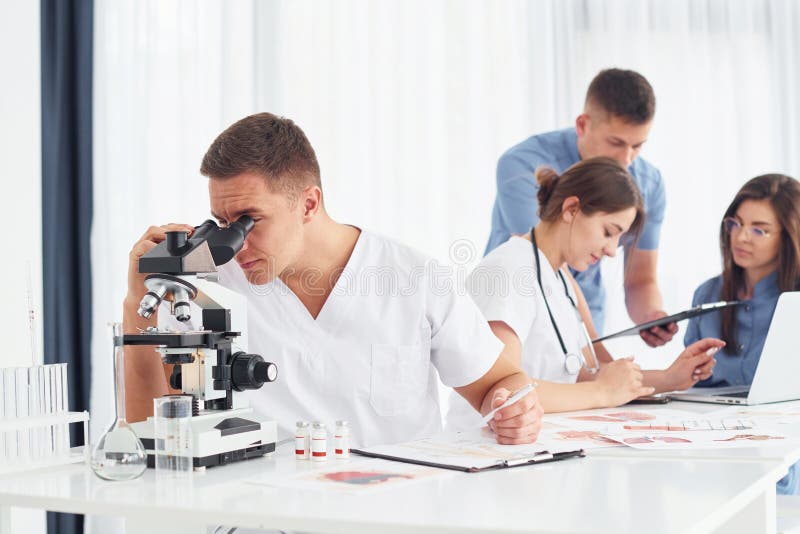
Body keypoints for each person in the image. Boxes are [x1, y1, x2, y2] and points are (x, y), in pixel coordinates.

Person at [123, 112, 543, 449]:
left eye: (249, 221)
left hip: (390, 513)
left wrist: (513, 409)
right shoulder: (209, 289)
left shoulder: (414, 278)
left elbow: (501, 383)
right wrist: (135, 299)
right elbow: (149, 430)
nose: (236, 244)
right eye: (223, 223)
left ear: (308, 203)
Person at [447, 158, 722, 428]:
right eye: (608, 232)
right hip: (487, 449)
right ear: (571, 209)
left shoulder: (562, 280)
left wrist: (670, 377)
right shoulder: (507, 271)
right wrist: (602, 392)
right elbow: (503, 392)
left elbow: (587, 376)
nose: (612, 251)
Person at [486, 68, 676, 347]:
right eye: (616, 143)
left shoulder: (648, 183)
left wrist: (652, 317)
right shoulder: (523, 164)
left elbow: (640, 280)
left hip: (584, 327)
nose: (627, 159)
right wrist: (596, 354)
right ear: (582, 124)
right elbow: (543, 261)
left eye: (638, 146)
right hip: (520, 313)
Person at [685, 173, 800, 494]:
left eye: (759, 230)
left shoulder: (795, 302)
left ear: (790, 236)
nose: (742, 237)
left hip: (787, 441)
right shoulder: (708, 294)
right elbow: (694, 385)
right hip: (718, 441)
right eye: (735, 224)